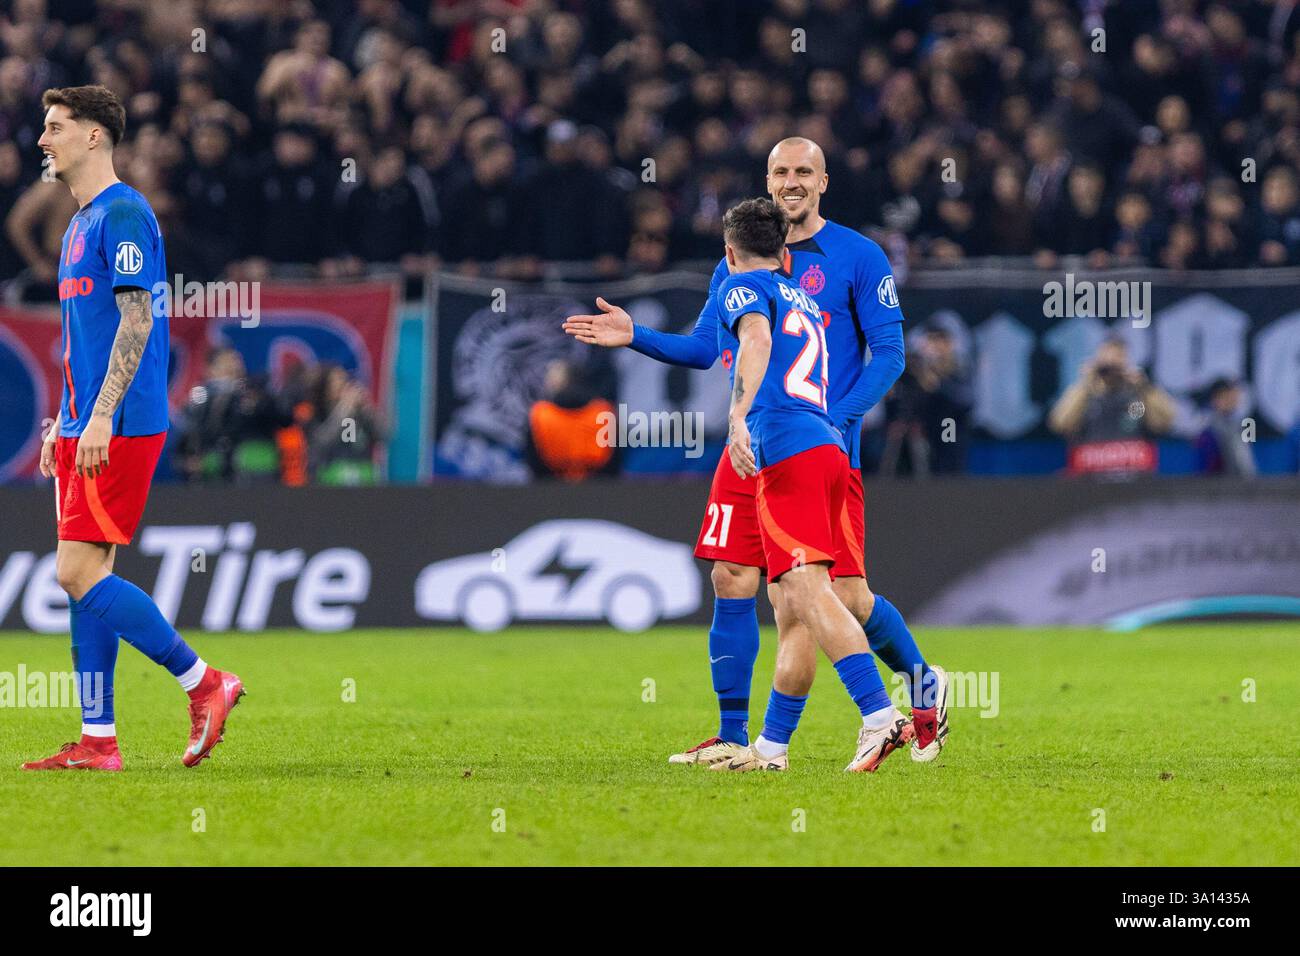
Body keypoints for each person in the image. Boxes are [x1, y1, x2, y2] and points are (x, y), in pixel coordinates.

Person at [564, 138, 948, 767]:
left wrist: (836, 416)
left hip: (812, 442)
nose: (791, 181)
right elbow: (702, 349)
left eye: (803, 172)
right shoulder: (743, 269)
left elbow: (891, 355)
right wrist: (636, 335)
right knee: (734, 576)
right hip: (755, 445)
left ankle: (909, 688)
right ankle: (740, 738)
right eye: (779, 171)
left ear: (823, 181)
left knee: (829, 596)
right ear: (767, 181)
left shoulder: (859, 255)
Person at [24, 85, 244, 772]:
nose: (42, 139)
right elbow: (80, 339)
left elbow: (139, 320)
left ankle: (205, 682)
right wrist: (64, 419)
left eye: (56, 127)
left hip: (121, 423)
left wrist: (100, 416)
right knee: (87, 576)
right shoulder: (79, 224)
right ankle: (98, 741)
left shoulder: (123, 213)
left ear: (95, 136)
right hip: (89, 422)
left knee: (75, 571)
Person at [707, 197, 914, 772]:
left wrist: (737, 416)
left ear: (730, 252)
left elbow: (756, 342)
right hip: (828, 448)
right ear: (785, 254)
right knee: (793, 601)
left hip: (788, 451)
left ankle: (879, 715)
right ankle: (771, 749)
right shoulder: (800, 294)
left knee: (805, 589)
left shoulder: (738, 286)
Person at [1048, 335, 1176, 476]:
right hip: (1089, 479)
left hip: (1135, 477)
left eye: (1118, 359)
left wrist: (1144, 387)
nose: (1112, 365)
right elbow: (1060, 424)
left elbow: (1164, 423)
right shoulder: (1085, 394)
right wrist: (1086, 384)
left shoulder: (1138, 395)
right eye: (1107, 360)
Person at [1195, 378, 1257, 477]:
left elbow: (1246, 465)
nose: (1232, 400)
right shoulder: (1206, 428)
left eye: (1233, 396)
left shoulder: (1241, 424)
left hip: (1241, 484)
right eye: (1226, 396)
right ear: (1215, 399)